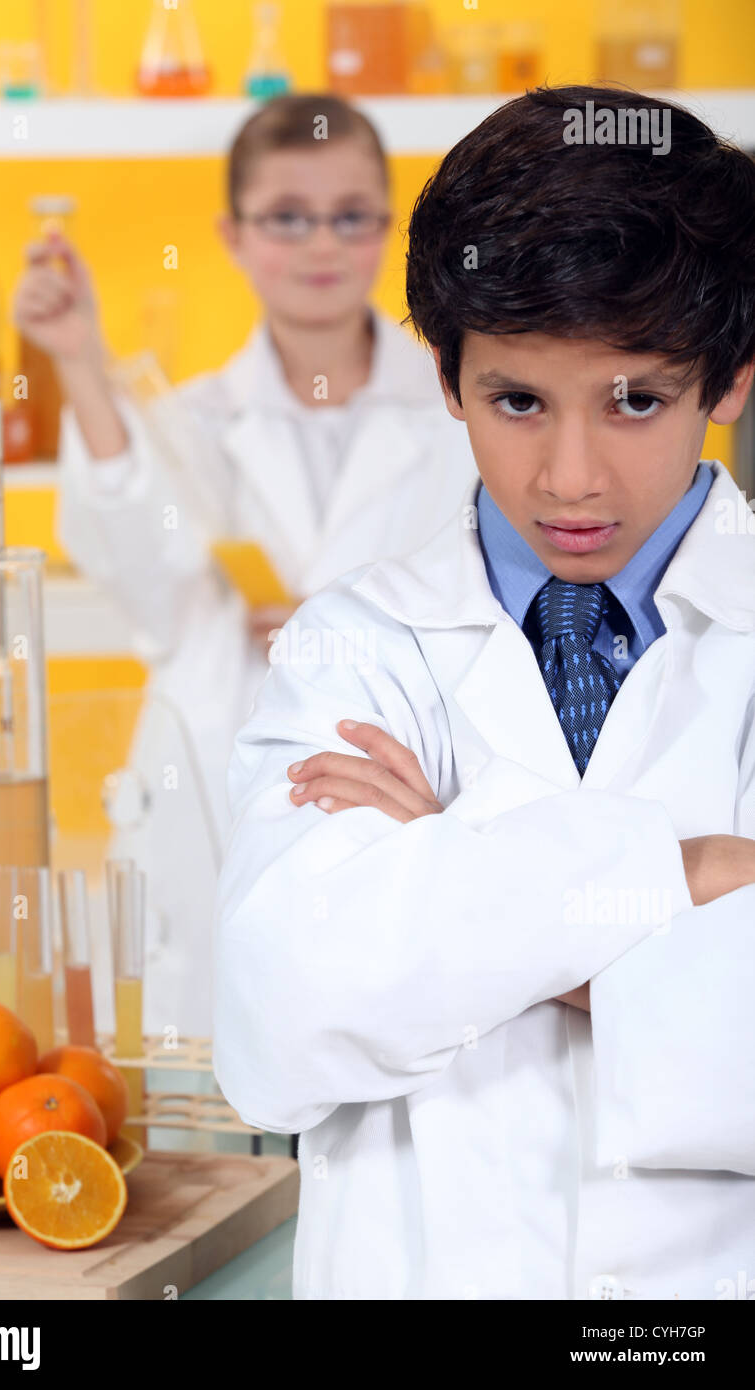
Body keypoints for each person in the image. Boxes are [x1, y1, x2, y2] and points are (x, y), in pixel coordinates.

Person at [212, 84, 755, 1300]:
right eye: (517, 401)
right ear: (446, 379)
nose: (569, 475)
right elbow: (277, 1020)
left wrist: (455, 858)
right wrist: (694, 876)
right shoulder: (352, 647)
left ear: (726, 379)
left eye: (634, 400)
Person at [12, 94, 477, 1036]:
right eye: (287, 218)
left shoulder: (461, 409)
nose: (320, 244)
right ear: (231, 234)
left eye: (350, 216)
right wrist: (81, 362)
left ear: (389, 227)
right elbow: (142, 570)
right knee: (216, 1104)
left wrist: (342, 618)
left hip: (400, 784)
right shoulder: (189, 423)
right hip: (210, 787)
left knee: (382, 1065)